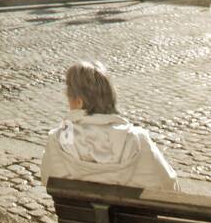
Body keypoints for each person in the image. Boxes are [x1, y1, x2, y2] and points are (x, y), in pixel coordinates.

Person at [40, 60, 179, 191]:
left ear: (79, 102)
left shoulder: (60, 138)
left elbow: (47, 179)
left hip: (77, 216)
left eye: (68, 94)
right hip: (131, 216)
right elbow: (170, 186)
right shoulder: (137, 138)